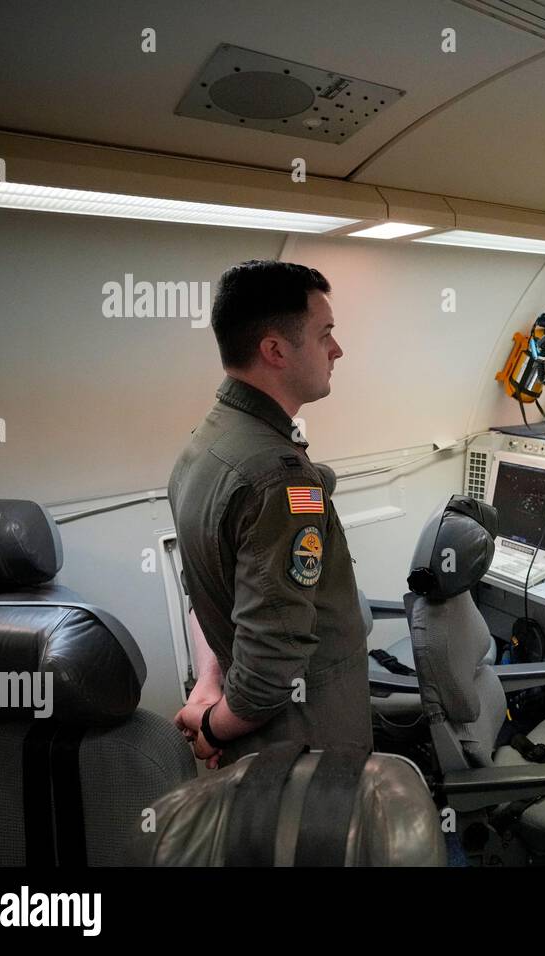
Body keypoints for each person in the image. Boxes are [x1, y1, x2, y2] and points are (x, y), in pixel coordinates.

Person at [168, 260, 371, 767]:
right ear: (275, 350)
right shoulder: (277, 477)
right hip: (305, 739)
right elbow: (270, 668)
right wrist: (214, 728)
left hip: (255, 732)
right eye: (325, 333)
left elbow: (207, 590)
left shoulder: (206, 445)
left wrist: (209, 686)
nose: (337, 349)